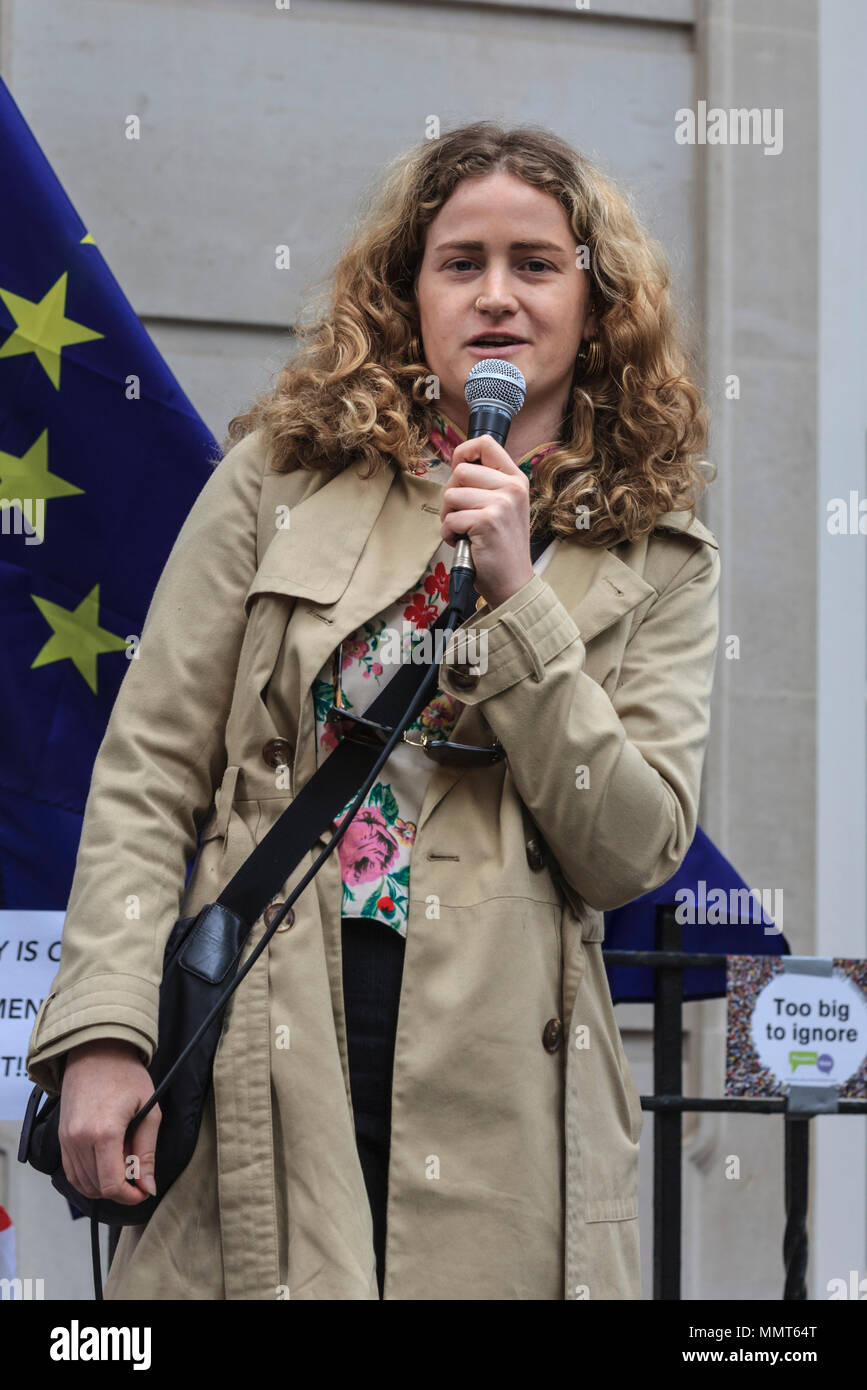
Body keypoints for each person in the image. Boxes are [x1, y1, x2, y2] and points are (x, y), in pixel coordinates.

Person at [26, 120, 720, 1301]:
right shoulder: (280, 476)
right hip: (271, 1031)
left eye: (537, 263)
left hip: (507, 1077)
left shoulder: (659, 552)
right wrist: (101, 1032)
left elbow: (631, 847)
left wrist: (519, 594)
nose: (497, 295)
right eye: (461, 262)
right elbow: (151, 767)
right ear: (410, 296)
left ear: (597, 303)